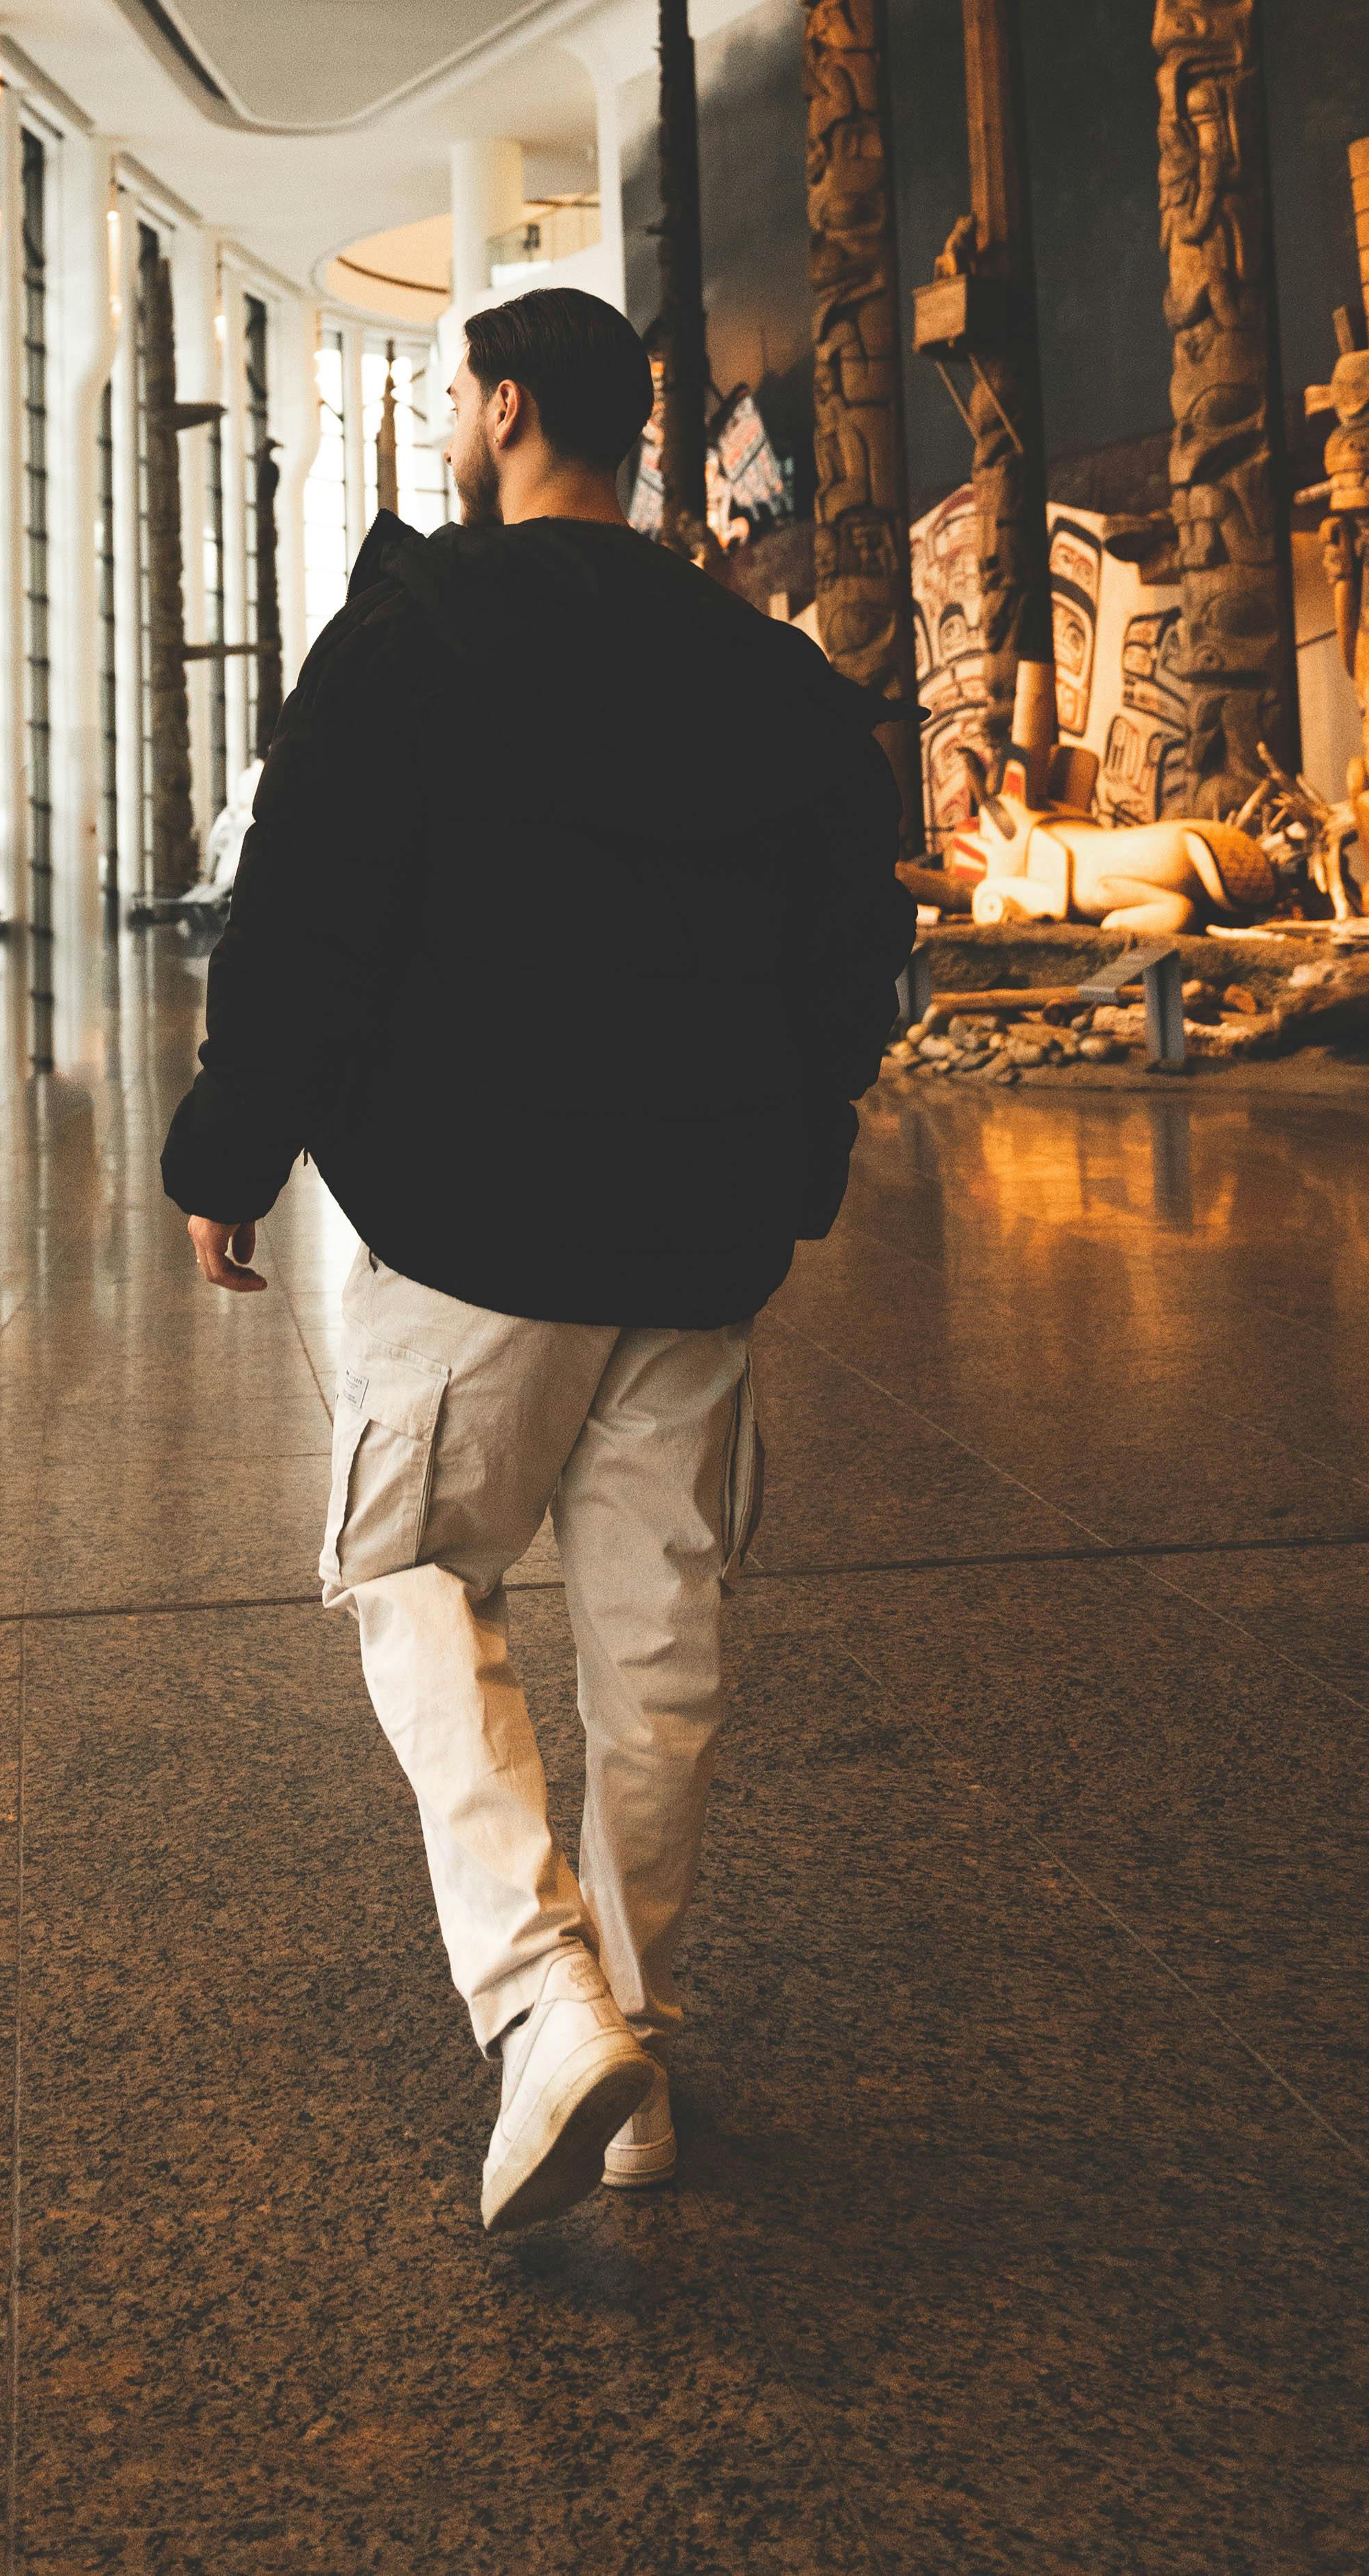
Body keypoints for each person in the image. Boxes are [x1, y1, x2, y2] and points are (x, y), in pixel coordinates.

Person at [162, 284, 912, 2231]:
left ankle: (541, 2000)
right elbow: (855, 949)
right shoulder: (763, 672)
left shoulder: (410, 641)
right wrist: (791, 1136)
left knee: (406, 1563)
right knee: (655, 1646)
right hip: (698, 1224)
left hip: (471, 1214)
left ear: (500, 410)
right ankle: (637, 2050)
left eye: (447, 402)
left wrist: (228, 1151)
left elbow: (310, 918)